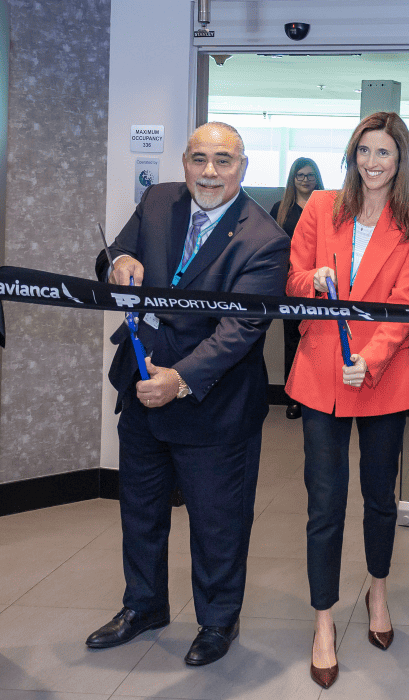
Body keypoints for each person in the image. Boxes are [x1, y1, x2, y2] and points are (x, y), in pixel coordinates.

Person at [87, 122, 289, 666]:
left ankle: (218, 620)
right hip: (140, 385)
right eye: (198, 159)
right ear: (182, 161)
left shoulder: (265, 239)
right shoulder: (157, 201)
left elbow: (241, 330)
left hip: (212, 405)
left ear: (242, 167)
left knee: (217, 523)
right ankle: (144, 606)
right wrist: (119, 264)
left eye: (223, 161)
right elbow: (116, 255)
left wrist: (179, 379)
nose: (209, 172)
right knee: (141, 511)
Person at [284, 111, 409, 689]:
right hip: (321, 373)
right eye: (364, 152)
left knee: (378, 499)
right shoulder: (321, 207)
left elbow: (406, 302)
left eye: (384, 154)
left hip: (382, 376)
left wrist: (369, 359)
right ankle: (323, 623)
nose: (372, 164)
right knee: (324, 502)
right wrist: (313, 279)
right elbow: (290, 278)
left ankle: (378, 590)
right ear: (352, 156)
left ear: (401, 162)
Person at [270, 157, 324, 420]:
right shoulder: (281, 209)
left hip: (322, 286)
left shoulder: (327, 207)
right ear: (293, 179)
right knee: (293, 340)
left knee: (319, 340)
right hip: (291, 286)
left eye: (310, 175)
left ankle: (316, 394)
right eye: (300, 175)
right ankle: (294, 398)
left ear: (317, 178)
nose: (305, 180)